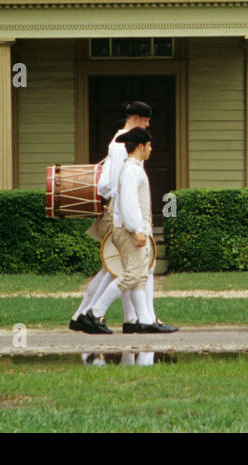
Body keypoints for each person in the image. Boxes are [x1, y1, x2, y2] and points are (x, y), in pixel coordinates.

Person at [69, 101, 151, 334]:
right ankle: (91, 314)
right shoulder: (123, 143)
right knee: (122, 269)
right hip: (118, 213)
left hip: (116, 212)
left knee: (118, 268)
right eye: (146, 120)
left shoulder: (120, 143)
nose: (148, 124)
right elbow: (113, 185)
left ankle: (133, 318)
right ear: (136, 117)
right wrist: (132, 222)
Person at [84, 127, 176, 334]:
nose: (151, 149)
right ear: (141, 146)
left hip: (134, 229)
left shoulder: (134, 168)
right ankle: (94, 313)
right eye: (150, 145)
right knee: (131, 274)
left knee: (140, 275)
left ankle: (144, 320)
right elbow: (128, 204)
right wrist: (137, 230)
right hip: (129, 231)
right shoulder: (131, 170)